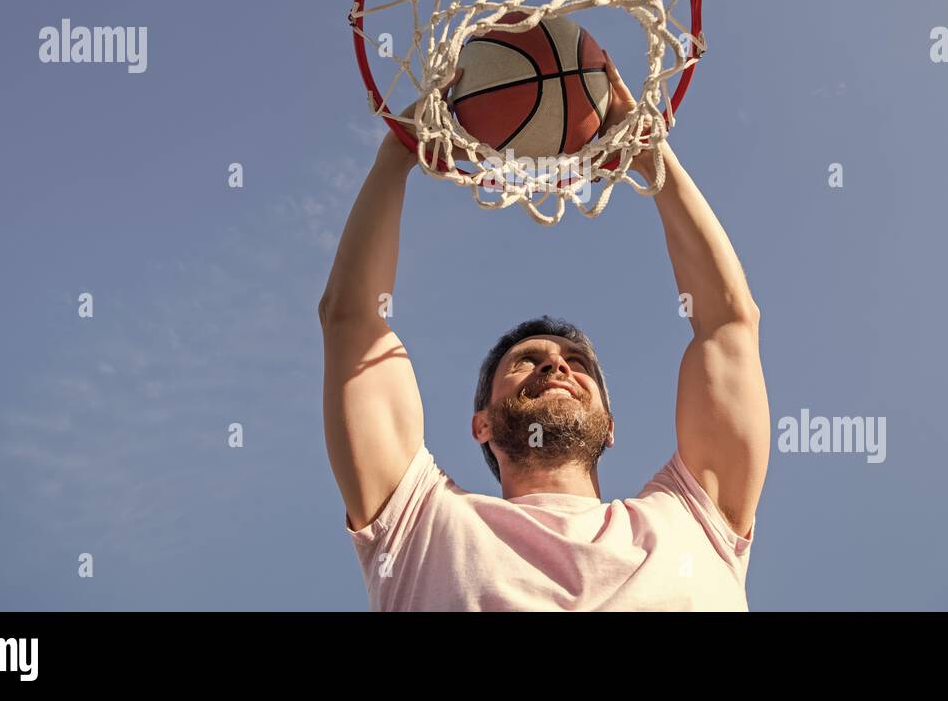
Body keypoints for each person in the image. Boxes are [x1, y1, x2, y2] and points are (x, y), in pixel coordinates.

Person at [319, 56, 769, 610]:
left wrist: (650, 155)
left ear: (610, 425)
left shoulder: (694, 518)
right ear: (481, 423)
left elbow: (728, 321)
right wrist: (400, 151)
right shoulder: (419, 526)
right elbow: (351, 321)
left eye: (577, 362)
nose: (558, 366)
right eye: (527, 360)